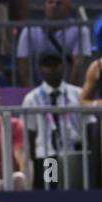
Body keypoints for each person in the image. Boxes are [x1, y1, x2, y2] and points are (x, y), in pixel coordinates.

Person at [20, 51, 85, 190]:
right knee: (51, 191)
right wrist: (32, 159)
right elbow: (29, 132)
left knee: (75, 190)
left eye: (56, 65)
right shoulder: (32, 98)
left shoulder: (78, 94)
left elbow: (90, 124)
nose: (52, 69)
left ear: (63, 67)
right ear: (40, 70)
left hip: (73, 152)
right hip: (48, 155)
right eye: (47, 66)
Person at [16, 0, 90, 87]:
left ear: (69, 7)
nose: (54, 6)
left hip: (69, 89)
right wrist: (35, 94)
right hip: (37, 90)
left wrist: (68, 93)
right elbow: (23, 67)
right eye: (50, 2)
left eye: (59, 3)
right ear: (44, 6)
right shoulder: (29, 31)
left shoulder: (80, 30)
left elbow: (78, 66)